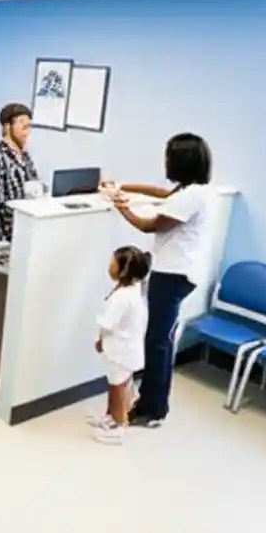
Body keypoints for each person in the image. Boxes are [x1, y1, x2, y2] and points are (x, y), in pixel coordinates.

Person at [102, 133, 213, 428]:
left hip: (173, 276)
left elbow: (150, 225)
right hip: (176, 273)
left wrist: (119, 204)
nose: (165, 161)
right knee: (158, 340)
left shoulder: (190, 197)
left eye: (168, 156)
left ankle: (153, 408)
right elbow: (161, 194)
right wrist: (123, 187)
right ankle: (152, 402)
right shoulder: (192, 191)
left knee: (157, 343)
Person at [87, 246, 152, 445]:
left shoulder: (122, 297)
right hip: (121, 350)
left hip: (120, 352)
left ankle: (119, 425)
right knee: (116, 385)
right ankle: (110, 418)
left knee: (119, 389)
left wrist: (99, 340)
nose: (109, 267)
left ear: (123, 271)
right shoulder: (131, 290)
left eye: (112, 264)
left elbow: (108, 323)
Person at [0, 103, 39, 243]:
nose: (27, 131)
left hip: (26, 231)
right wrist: (2, 244)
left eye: (28, 126)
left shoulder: (26, 158)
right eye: (22, 125)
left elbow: (35, 192)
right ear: (7, 127)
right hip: (6, 238)